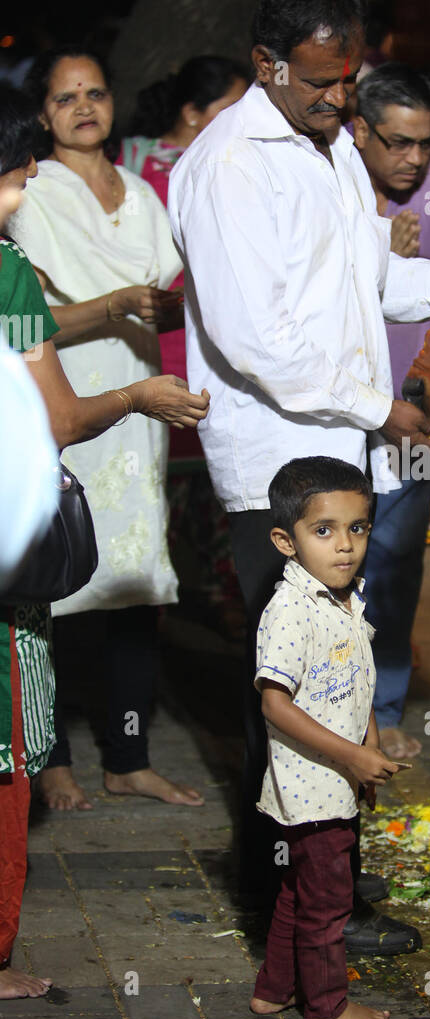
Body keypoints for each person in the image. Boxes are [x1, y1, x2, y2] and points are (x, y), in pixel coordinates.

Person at [168, 0, 430, 950]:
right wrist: (381, 405)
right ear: (265, 65)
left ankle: (325, 898)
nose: (344, 100)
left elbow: (375, 279)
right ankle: (287, 911)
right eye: (321, 82)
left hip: (337, 451)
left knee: (333, 680)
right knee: (287, 697)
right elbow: (257, 339)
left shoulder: (326, 146)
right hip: (276, 467)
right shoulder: (228, 164)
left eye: (351, 79)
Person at [0, 83, 208, 998]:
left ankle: (116, 761)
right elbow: (56, 420)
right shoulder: (6, 270)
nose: (20, 195)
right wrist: (135, 396)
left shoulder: (133, 196)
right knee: (5, 750)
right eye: (12, 181)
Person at [249, 457, 399, 1019]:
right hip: (311, 787)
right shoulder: (290, 612)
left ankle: (274, 991)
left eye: (357, 528)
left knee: (298, 891)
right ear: (286, 541)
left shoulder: (343, 599)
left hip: (336, 782)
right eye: (323, 531)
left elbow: (357, 685)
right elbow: (274, 703)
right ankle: (327, 1007)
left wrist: (370, 752)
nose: (344, 546)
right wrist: (352, 757)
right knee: (328, 903)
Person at [351, 63, 430, 758]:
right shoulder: (327, 180)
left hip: (409, 414)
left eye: (425, 144)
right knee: (329, 566)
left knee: (394, 566)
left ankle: (386, 708)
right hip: (331, 411)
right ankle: (323, 711)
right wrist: (373, 250)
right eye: (398, 143)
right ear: (359, 130)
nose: (414, 160)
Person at [120, 57, 248, 635]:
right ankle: (147, 621)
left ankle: (227, 608)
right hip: (151, 347)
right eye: (229, 108)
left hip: (214, 353)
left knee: (219, 499)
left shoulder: (239, 162)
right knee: (151, 503)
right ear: (192, 113)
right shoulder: (131, 167)